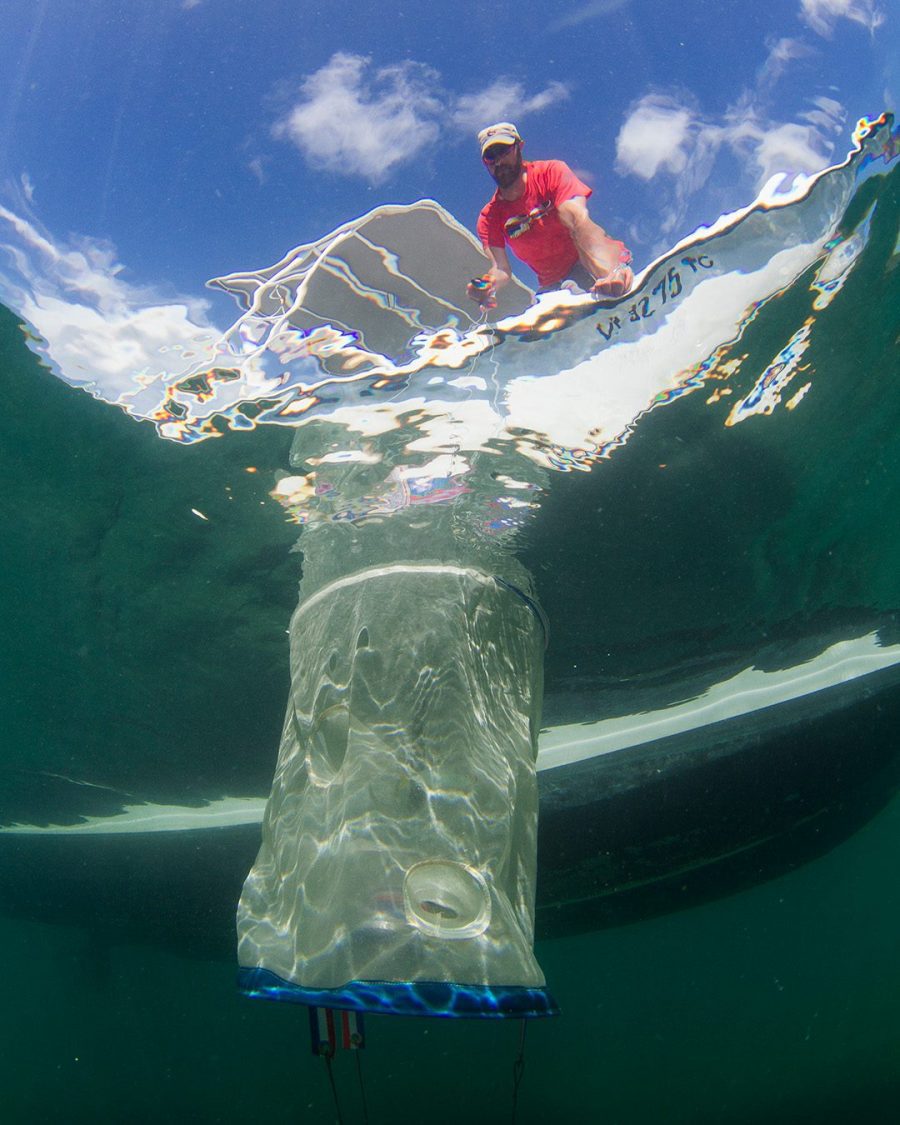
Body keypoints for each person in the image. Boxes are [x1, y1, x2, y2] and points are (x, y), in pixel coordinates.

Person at [467, 122, 634, 309]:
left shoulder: (550, 172)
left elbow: (578, 219)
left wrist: (609, 272)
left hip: (590, 264)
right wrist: (488, 285)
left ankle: (614, 274)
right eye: (491, 157)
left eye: (504, 151)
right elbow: (500, 269)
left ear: (519, 147)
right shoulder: (489, 218)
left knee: (569, 217)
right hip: (553, 285)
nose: (498, 162)